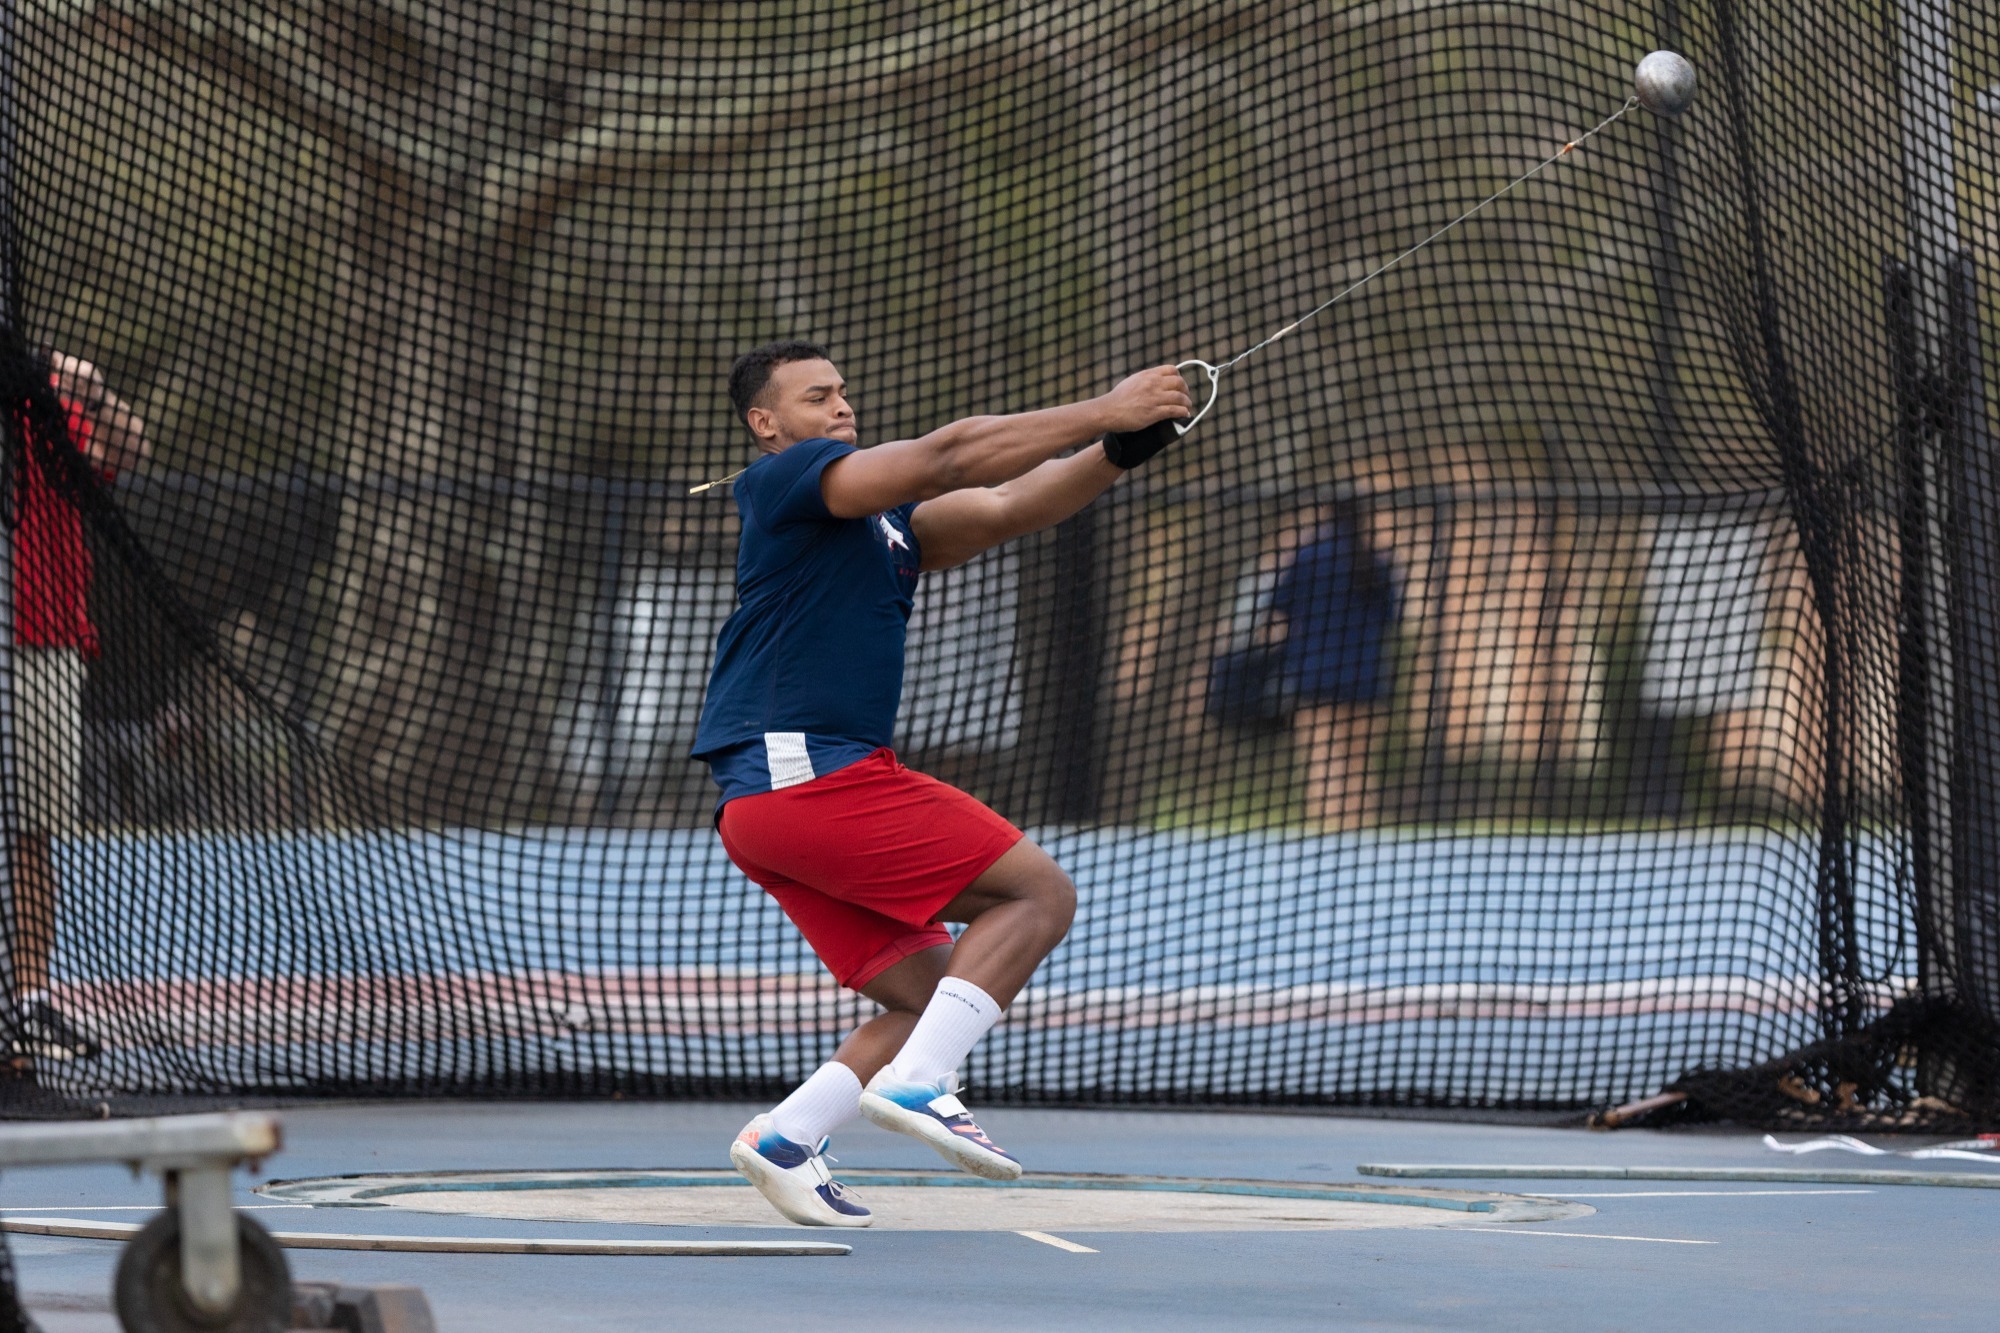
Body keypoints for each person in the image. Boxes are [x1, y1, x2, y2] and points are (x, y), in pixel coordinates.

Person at [693, 340, 1189, 1227]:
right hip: (809, 774)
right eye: (817, 396)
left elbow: (1001, 505)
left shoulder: (882, 521)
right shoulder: (789, 480)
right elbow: (954, 453)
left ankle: (788, 1137)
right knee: (1038, 894)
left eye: (844, 391)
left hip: (769, 802)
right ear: (767, 424)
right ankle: (922, 1085)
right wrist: (1103, 408)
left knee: (927, 998)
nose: (842, 406)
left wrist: (1117, 453)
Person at [8, 351, 149, 1064]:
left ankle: (29, 999)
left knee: (32, 825)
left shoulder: (47, 390)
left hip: (43, 638)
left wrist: (90, 388)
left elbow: (130, 446)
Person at [1268, 498, 1400, 830]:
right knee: (1359, 767)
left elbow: (1278, 606)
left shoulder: (1308, 556)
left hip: (1314, 677)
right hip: (1365, 677)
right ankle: (1356, 837)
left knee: (1322, 763)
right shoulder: (1374, 560)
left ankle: (1327, 839)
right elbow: (1390, 617)